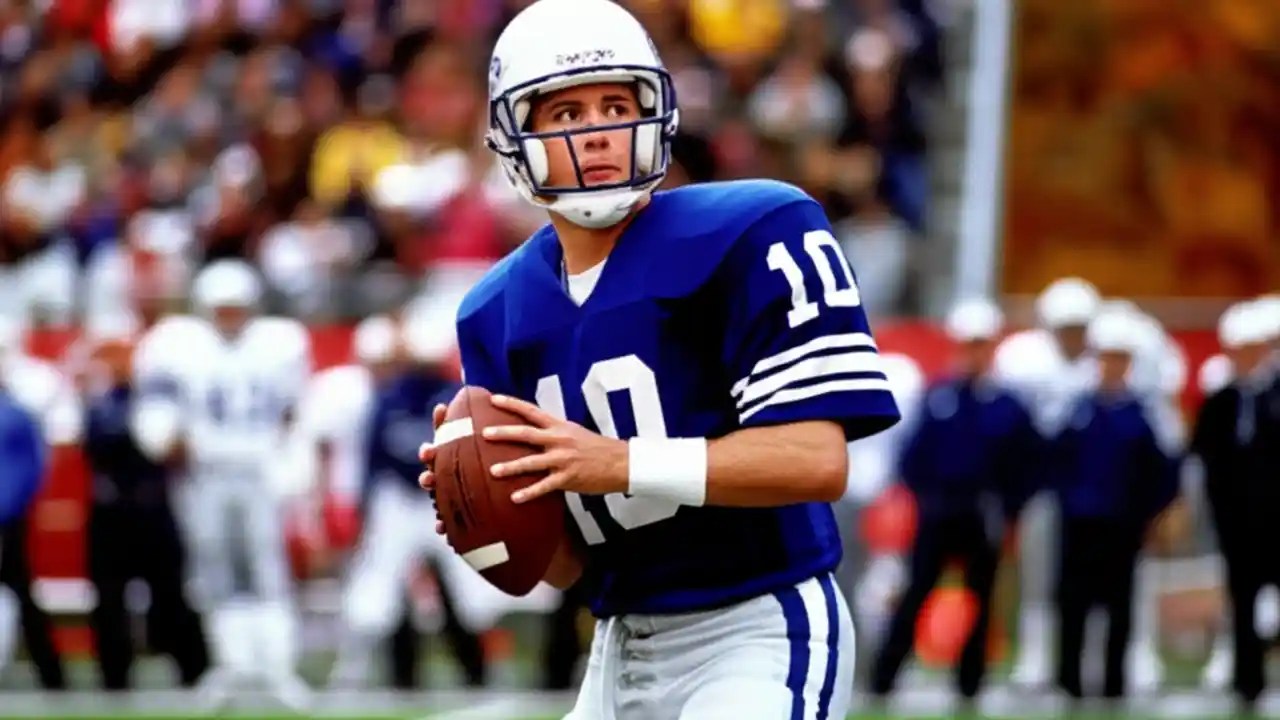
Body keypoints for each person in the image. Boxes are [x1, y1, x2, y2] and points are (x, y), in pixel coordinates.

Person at [418, 1, 901, 718]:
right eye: (567, 115)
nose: (600, 133)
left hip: (758, 626)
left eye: (615, 105)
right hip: (619, 642)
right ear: (514, 137)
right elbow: (563, 568)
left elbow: (815, 461)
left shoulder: (750, 228)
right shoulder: (494, 310)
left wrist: (619, 462)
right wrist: (481, 510)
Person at [130, 260, 313, 711]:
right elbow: (155, 413)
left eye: (236, 308)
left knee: (268, 568)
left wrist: (290, 464)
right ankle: (231, 666)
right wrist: (166, 440)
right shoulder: (177, 345)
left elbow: (293, 410)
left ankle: (278, 668)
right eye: (221, 308)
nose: (229, 316)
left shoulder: (280, 343)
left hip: (258, 469)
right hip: (206, 472)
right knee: (213, 572)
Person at [869, 298, 1039, 703]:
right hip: (940, 510)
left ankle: (970, 684)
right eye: (968, 344)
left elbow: (1027, 464)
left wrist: (1009, 507)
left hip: (984, 513)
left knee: (981, 599)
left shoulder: (1007, 406)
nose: (973, 353)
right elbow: (912, 456)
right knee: (917, 593)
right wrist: (926, 497)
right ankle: (884, 679)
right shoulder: (940, 397)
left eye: (980, 344)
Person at [1050, 309, 1180, 702]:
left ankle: (1112, 685)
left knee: (1119, 606)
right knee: (1072, 604)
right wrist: (1069, 498)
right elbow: (1054, 459)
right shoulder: (1077, 409)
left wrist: (1149, 513)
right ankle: (1068, 682)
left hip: (1122, 524)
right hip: (1078, 521)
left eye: (1120, 358)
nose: (1112, 366)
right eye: (1107, 357)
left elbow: (1163, 471)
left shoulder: (1142, 415)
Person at [81, 312, 209, 690]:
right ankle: (114, 676)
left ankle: (192, 671)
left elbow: (174, 449)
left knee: (170, 592)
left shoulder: (165, 398)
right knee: (108, 597)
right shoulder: (102, 402)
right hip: (112, 507)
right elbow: (101, 444)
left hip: (153, 506)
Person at [1193, 300, 1279, 710]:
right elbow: (1207, 463)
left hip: (1278, 521)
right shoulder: (1221, 402)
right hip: (1237, 524)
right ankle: (1248, 685)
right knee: (1242, 603)